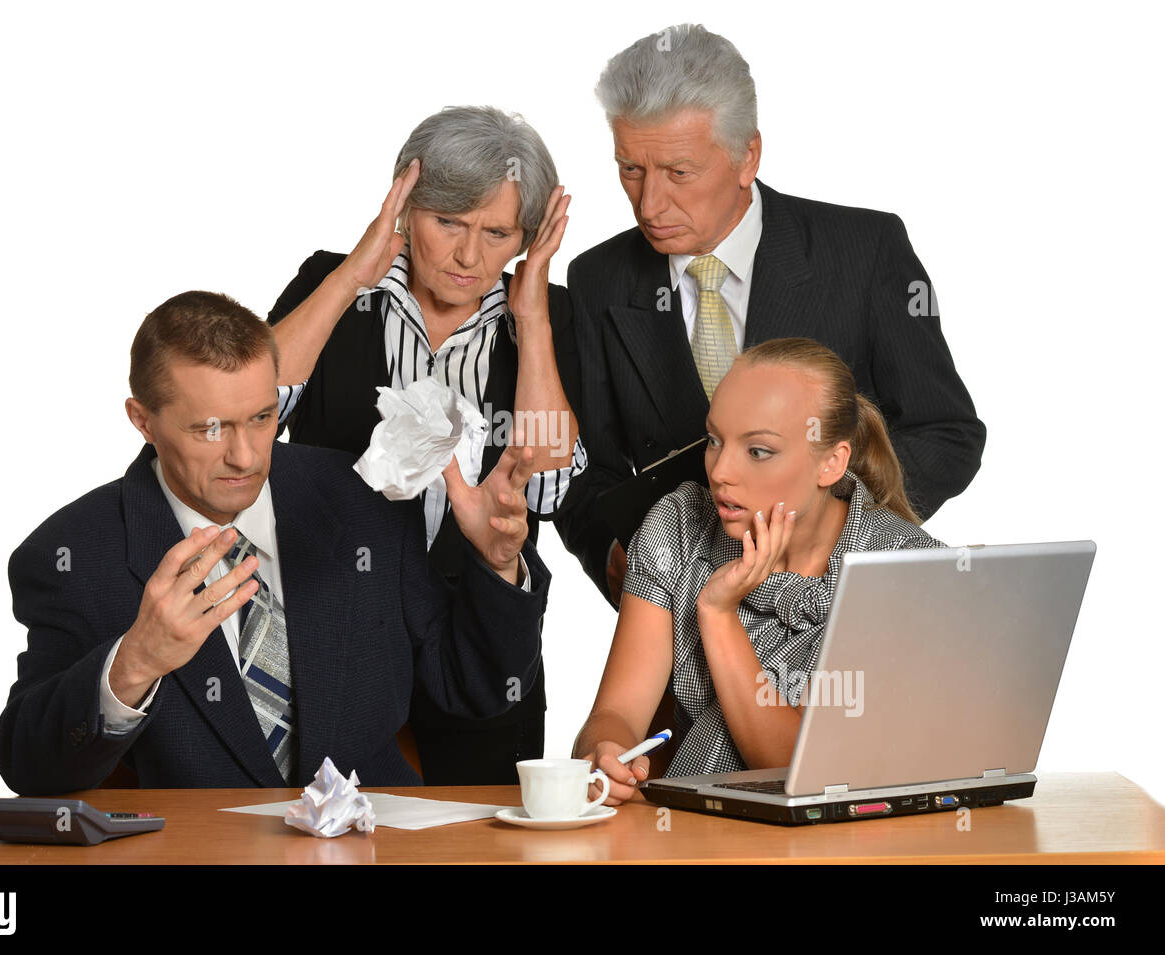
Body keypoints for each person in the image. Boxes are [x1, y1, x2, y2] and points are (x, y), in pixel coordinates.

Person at [0, 291, 549, 795]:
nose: (246, 456)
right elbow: (31, 769)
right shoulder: (73, 555)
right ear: (142, 420)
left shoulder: (362, 503)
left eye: (261, 417)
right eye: (210, 429)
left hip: (377, 850)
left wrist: (497, 565)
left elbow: (476, 691)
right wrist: (135, 662)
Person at [553, 23, 984, 606]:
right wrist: (614, 554)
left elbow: (946, 433)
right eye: (631, 169)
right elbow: (585, 474)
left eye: (679, 173)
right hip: (678, 618)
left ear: (746, 156)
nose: (649, 204)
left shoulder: (866, 249)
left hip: (846, 602)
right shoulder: (596, 280)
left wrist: (831, 535)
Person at [265, 106, 585, 784]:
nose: (471, 256)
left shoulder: (547, 318)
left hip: (482, 636)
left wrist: (531, 318)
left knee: (482, 843)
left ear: (526, 238)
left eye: (497, 232)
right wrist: (352, 274)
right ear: (405, 207)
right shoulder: (336, 282)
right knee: (329, 833)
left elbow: (550, 489)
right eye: (449, 223)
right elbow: (252, 408)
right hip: (339, 623)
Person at [574, 338, 946, 804]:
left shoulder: (900, 568)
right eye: (714, 440)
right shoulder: (677, 525)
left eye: (758, 451)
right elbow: (616, 712)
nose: (720, 471)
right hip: (695, 831)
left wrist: (717, 613)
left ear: (831, 463)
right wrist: (603, 750)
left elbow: (803, 773)